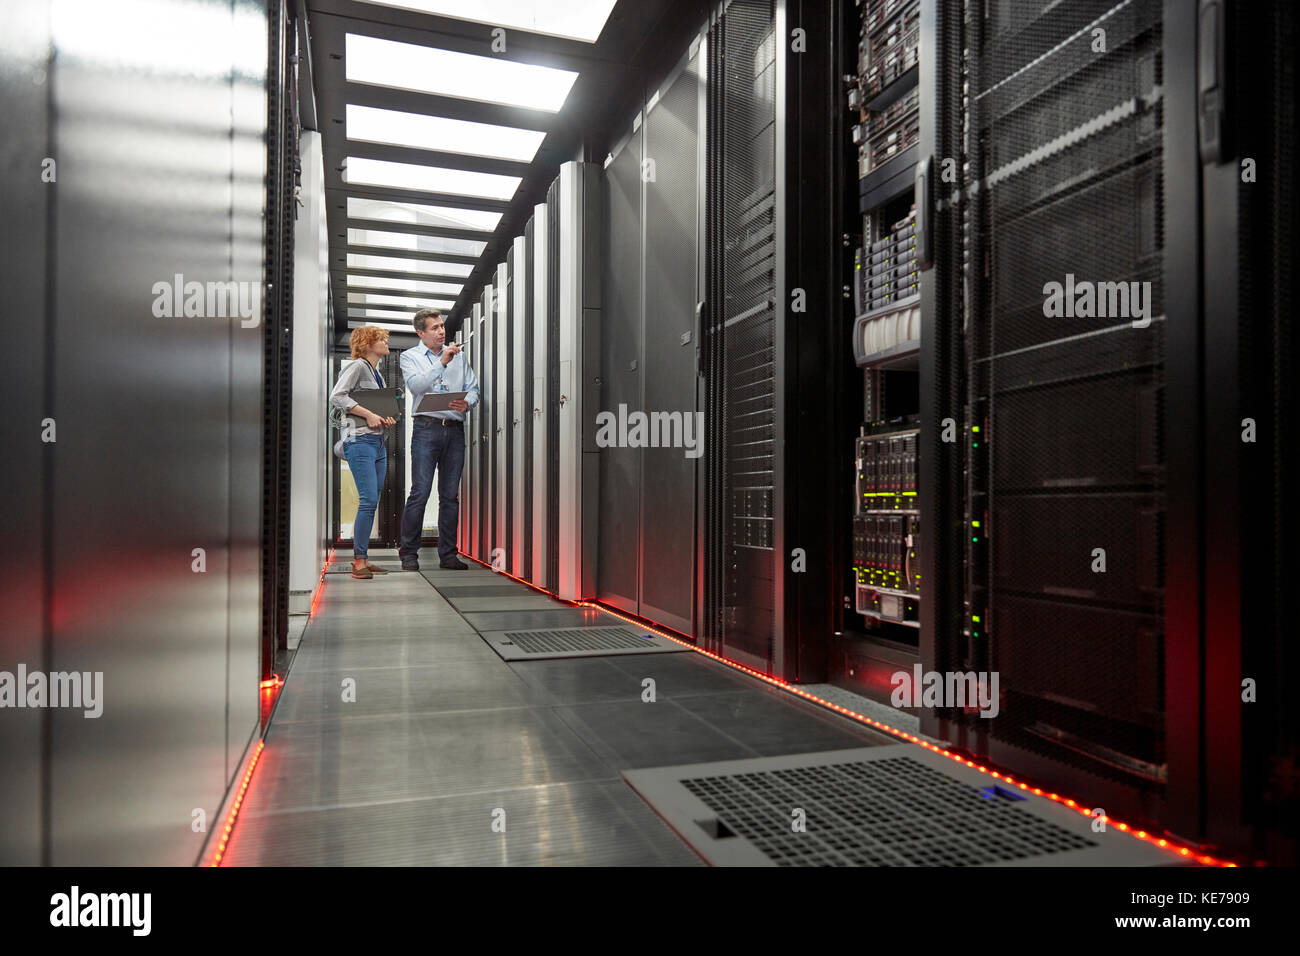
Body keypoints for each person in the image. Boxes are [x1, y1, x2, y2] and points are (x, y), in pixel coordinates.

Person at [398, 308, 479, 571]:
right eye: (434, 328)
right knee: (420, 492)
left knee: (450, 496)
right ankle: (409, 554)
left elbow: (474, 389)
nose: (441, 331)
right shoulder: (410, 357)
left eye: (442, 326)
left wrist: (467, 403)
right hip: (426, 429)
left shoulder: (461, 357)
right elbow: (417, 387)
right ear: (420, 333)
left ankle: (448, 555)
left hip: (454, 430)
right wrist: (442, 361)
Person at [330, 326, 397, 579]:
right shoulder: (357, 366)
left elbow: (373, 407)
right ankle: (358, 563)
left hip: (377, 442)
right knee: (368, 501)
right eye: (381, 338)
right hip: (360, 443)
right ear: (367, 344)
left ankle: (364, 558)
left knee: (372, 501)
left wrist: (385, 418)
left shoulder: (376, 373)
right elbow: (337, 396)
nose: (385, 341)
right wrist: (369, 414)